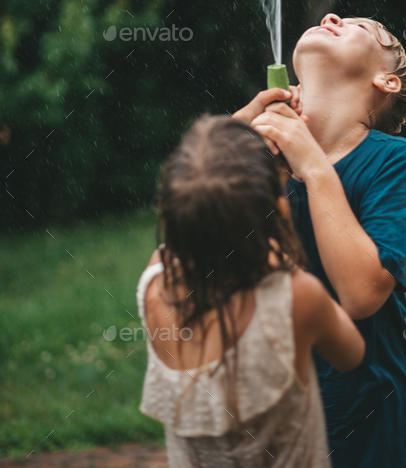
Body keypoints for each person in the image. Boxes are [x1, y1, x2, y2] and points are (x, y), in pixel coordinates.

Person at [237, 13, 406, 468]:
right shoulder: (260, 163)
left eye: (361, 27)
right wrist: (221, 159)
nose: (330, 17)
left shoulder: (395, 161)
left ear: (384, 82)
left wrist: (313, 168)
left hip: (375, 436)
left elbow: (362, 293)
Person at [136, 113, 365, 468]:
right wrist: (317, 173)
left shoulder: (155, 280)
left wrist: (226, 137)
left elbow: (207, 186)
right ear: (276, 209)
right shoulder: (296, 296)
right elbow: (352, 353)